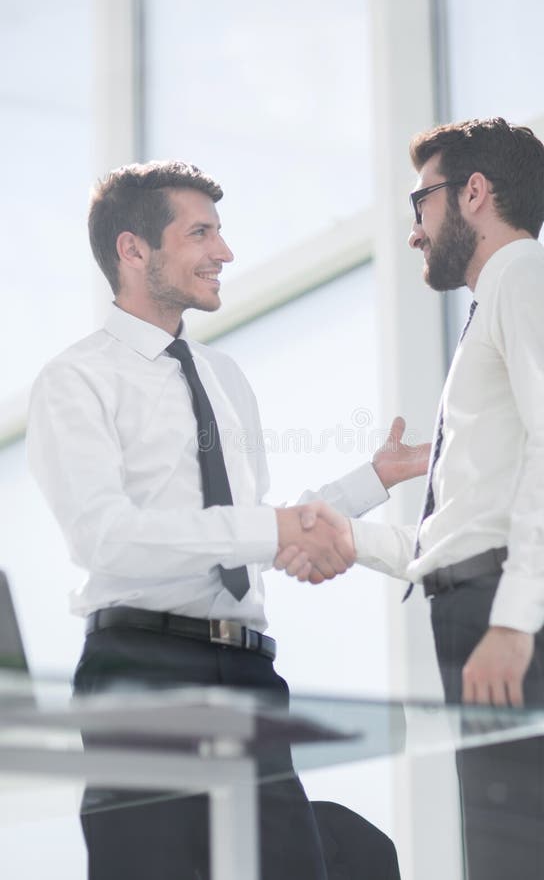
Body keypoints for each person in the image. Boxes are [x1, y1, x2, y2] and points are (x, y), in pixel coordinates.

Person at [26, 160, 426, 880]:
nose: (225, 252)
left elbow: (247, 529)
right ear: (133, 249)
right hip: (144, 675)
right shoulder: (75, 380)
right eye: (201, 232)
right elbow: (105, 536)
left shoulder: (224, 378)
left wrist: (367, 484)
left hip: (247, 673)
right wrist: (274, 530)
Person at [279, 118, 544, 879]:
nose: (414, 231)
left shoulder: (528, 280)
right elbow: (468, 534)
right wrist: (348, 534)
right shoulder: (508, 302)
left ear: (474, 193)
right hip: (499, 604)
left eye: (421, 201)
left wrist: (511, 621)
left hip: (518, 614)